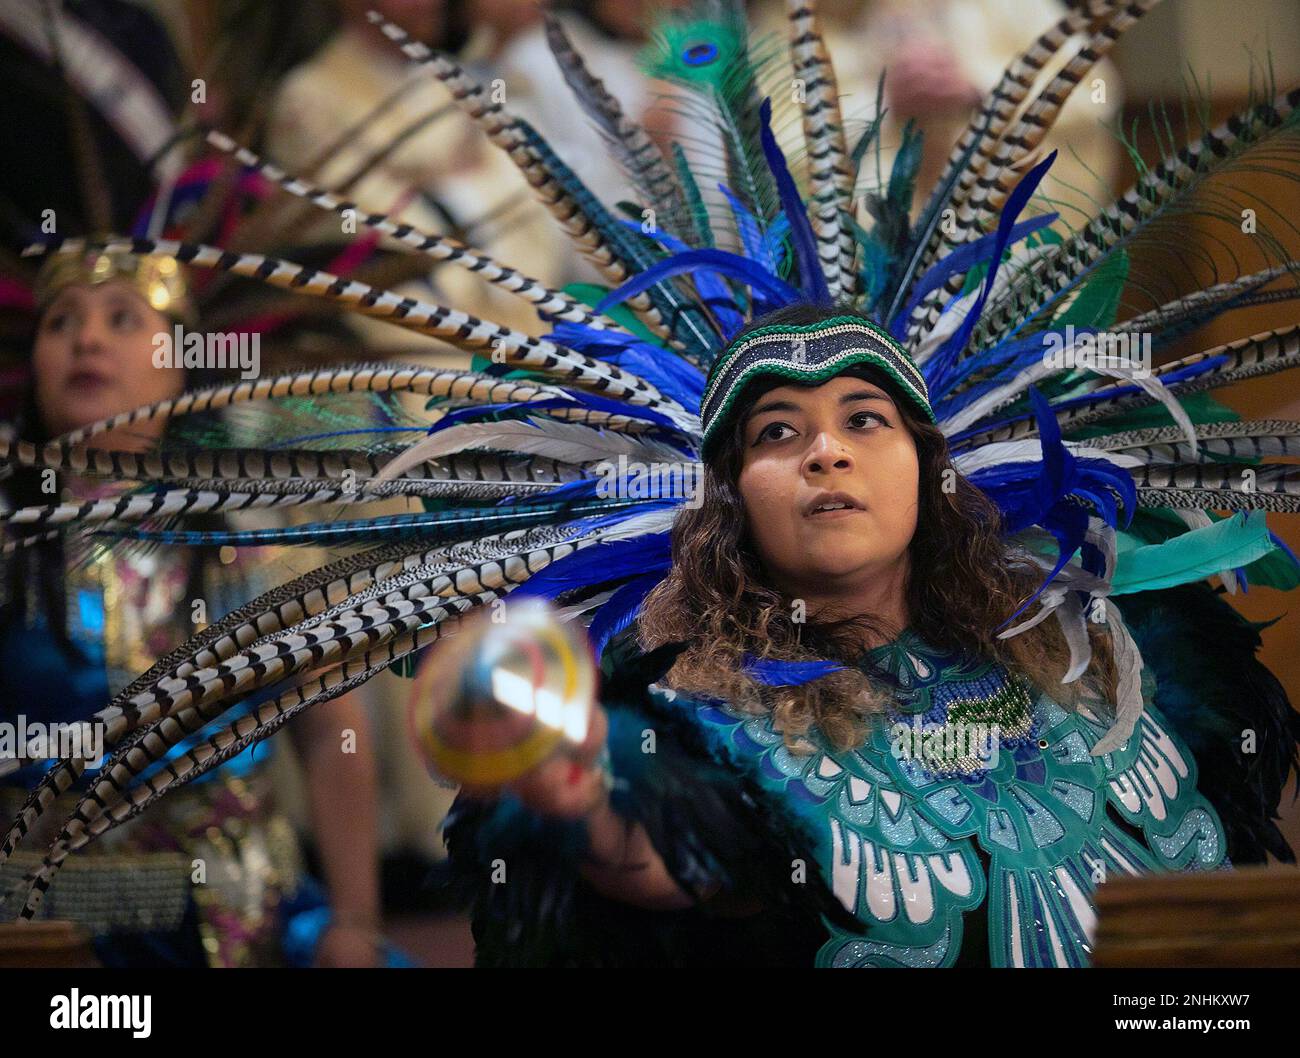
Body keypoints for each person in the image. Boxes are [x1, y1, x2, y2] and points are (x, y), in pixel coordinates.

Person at [5, 0, 1298, 969]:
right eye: (779, 436)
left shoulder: (1099, 661)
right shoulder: (709, 726)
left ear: (936, 468)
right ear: (727, 502)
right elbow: (652, 839)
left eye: (864, 419)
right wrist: (569, 771)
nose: (829, 450)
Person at [0, 251, 383, 967]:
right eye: (62, 323)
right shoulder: (10, 543)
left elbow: (333, 731)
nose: (87, 340)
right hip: (46, 928)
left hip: (240, 929)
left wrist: (355, 923)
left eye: (122, 319)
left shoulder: (248, 549)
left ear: (183, 365)